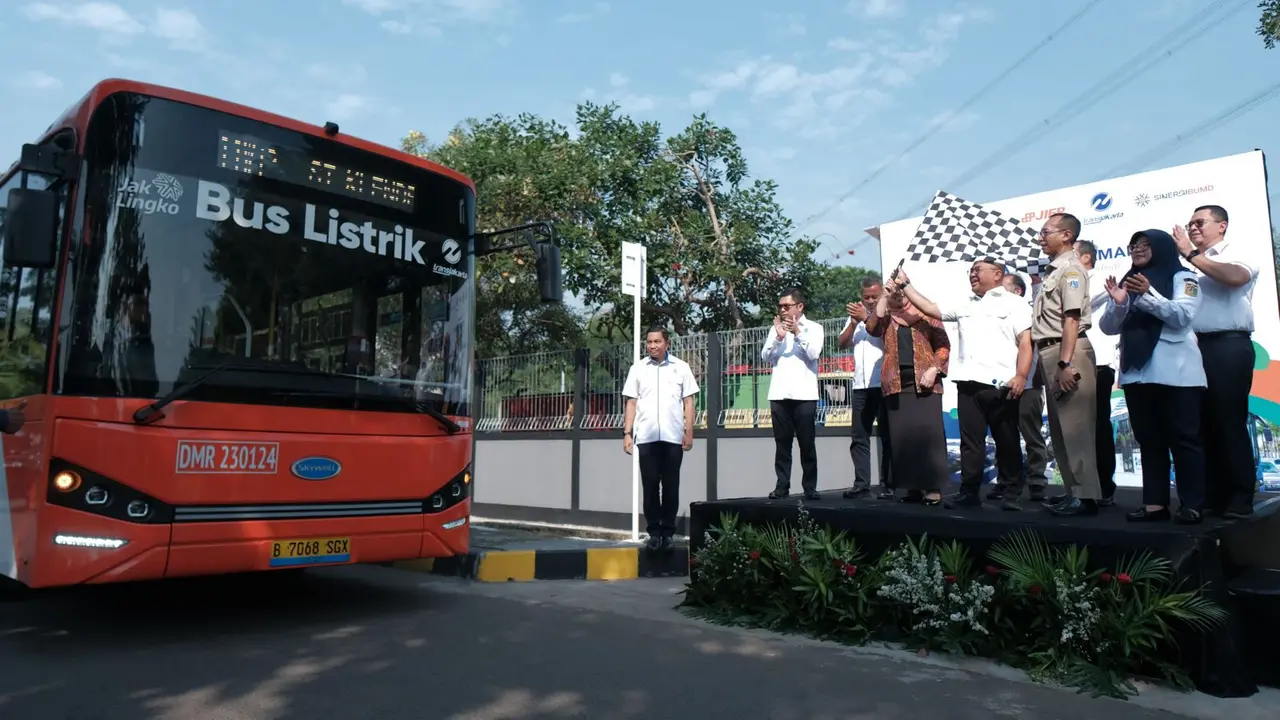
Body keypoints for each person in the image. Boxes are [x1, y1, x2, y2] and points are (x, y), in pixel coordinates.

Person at [896, 259, 1033, 511]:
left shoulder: (1014, 302)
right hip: (968, 382)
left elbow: (1025, 341)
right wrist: (905, 284)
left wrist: (1021, 375)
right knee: (970, 443)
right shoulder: (964, 302)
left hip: (1001, 383)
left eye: (978, 270)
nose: (972, 274)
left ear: (997, 274)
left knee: (1007, 439)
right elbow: (931, 308)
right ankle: (969, 492)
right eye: (970, 271)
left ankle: (1011, 492)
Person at [1098, 230, 1206, 524]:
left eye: (1145, 245)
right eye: (1134, 245)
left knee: (1184, 439)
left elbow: (1182, 317)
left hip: (1177, 374)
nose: (1138, 250)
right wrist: (1121, 303)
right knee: (1149, 440)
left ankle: (1193, 504)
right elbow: (1108, 327)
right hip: (1136, 374)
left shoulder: (1185, 278)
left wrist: (1149, 295)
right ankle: (1154, 505)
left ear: (1160, 248)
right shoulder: (1127, 281)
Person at [1172, 205, 1259, 519]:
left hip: (1227, 344)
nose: (1193, 228)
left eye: (1200, 222)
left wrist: (1192, 256)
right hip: (1192, 347)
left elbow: (1235, 277)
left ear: (1221, 226)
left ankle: (1239, 497)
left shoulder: (1235, 250)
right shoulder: (1188, 265)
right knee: (1198, 423)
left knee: (1227, 420)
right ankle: (1210, 495)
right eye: (1190, 223)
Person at [1032, 212, 1102, 517]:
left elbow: (1071, 319)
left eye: (1045, 232)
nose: (1040, 238)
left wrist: (1064, 362)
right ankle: (1072, 490)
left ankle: (1086, 496)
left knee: (1076, 427)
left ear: (1066, 236)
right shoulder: (1053, 271)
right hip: (1050, 351)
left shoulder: (1071, 270)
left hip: (1066, 351)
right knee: (1060, 428)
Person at [866, 279, 951, 505]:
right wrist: (883, 296)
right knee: (904, 438)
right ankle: (912, 488)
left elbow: (943, 346)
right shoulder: (886, 320)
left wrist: (934, 369)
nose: (897, 297)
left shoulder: (925, 315)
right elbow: (871, 327)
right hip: (895, 385)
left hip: (925, 384)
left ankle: (933, 488)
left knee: (928, 436)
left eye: (899, 293)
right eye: (893, 294)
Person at [622, 326, 700, 550]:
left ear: (667, 343)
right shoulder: (638, 369)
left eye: (657, 341)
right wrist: (627, 433)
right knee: (650, 487)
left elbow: (688, 402)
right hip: (645, 437)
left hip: (672, 437)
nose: (652, 345)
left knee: (671, 486)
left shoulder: (681, 368)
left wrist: (689, 433)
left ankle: (668, 533)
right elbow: (631, 402)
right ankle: (653, 532)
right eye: (649, 342)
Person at [761, 288, 824, 501]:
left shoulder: (814, 328)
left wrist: (797, 333)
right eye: (780, 306)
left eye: (786, 306)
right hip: (779, 394)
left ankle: (810, 487)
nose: (782, 310)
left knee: (807, 444)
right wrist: (778, 338)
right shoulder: (775, 330)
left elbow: (814, 353)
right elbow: (765, 357)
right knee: (782, 445)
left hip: (804, 395)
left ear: (800, 307)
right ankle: (782, 486)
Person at [836, 274, 892, 500]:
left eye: (874, 296)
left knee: (887, 436)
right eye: (866, 297)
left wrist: (868, 316)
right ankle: (861, 483)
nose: (869, 300)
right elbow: (841, 344)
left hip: (883, 383)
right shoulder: (855, 317)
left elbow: (889, 338)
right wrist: (853, 322)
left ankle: (888, 484)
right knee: (859, 436)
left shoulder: (888, 314)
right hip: (860, 385)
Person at [1075, 240, 1119, 506]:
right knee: (1073, 428)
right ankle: (1079, 489)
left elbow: (1075, 308)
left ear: (1087, 258)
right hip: (1067, 362)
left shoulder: (1102, 278)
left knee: (1098, 426)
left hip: (1097, 363)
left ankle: (1104, 486)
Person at [1000, 274, 1050, 503]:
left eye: (1004, 288)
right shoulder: (994, 312)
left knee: (1031, 433)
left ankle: (1037, 480)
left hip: (1029, 383)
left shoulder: (1031, 310)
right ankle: (1006, 481)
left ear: (1018, 291)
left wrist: (1036, 281)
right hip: (1002, 382)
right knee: (1004, 435)